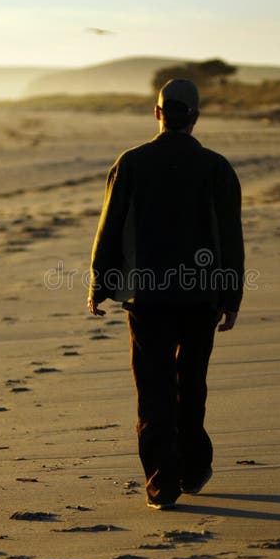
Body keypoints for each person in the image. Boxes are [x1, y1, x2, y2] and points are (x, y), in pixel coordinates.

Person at [88, 78, 244, 509]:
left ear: (157, 113)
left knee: (154, 388)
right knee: (191, 383)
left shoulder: (131, 162)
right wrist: (231, 297)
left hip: (147, 297)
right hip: (201, 296)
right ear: (195, 116)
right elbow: (231, 238)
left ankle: (162, 483)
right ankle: (193, 467)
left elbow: (110, 226)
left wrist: (100, 284)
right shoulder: (217, 168)